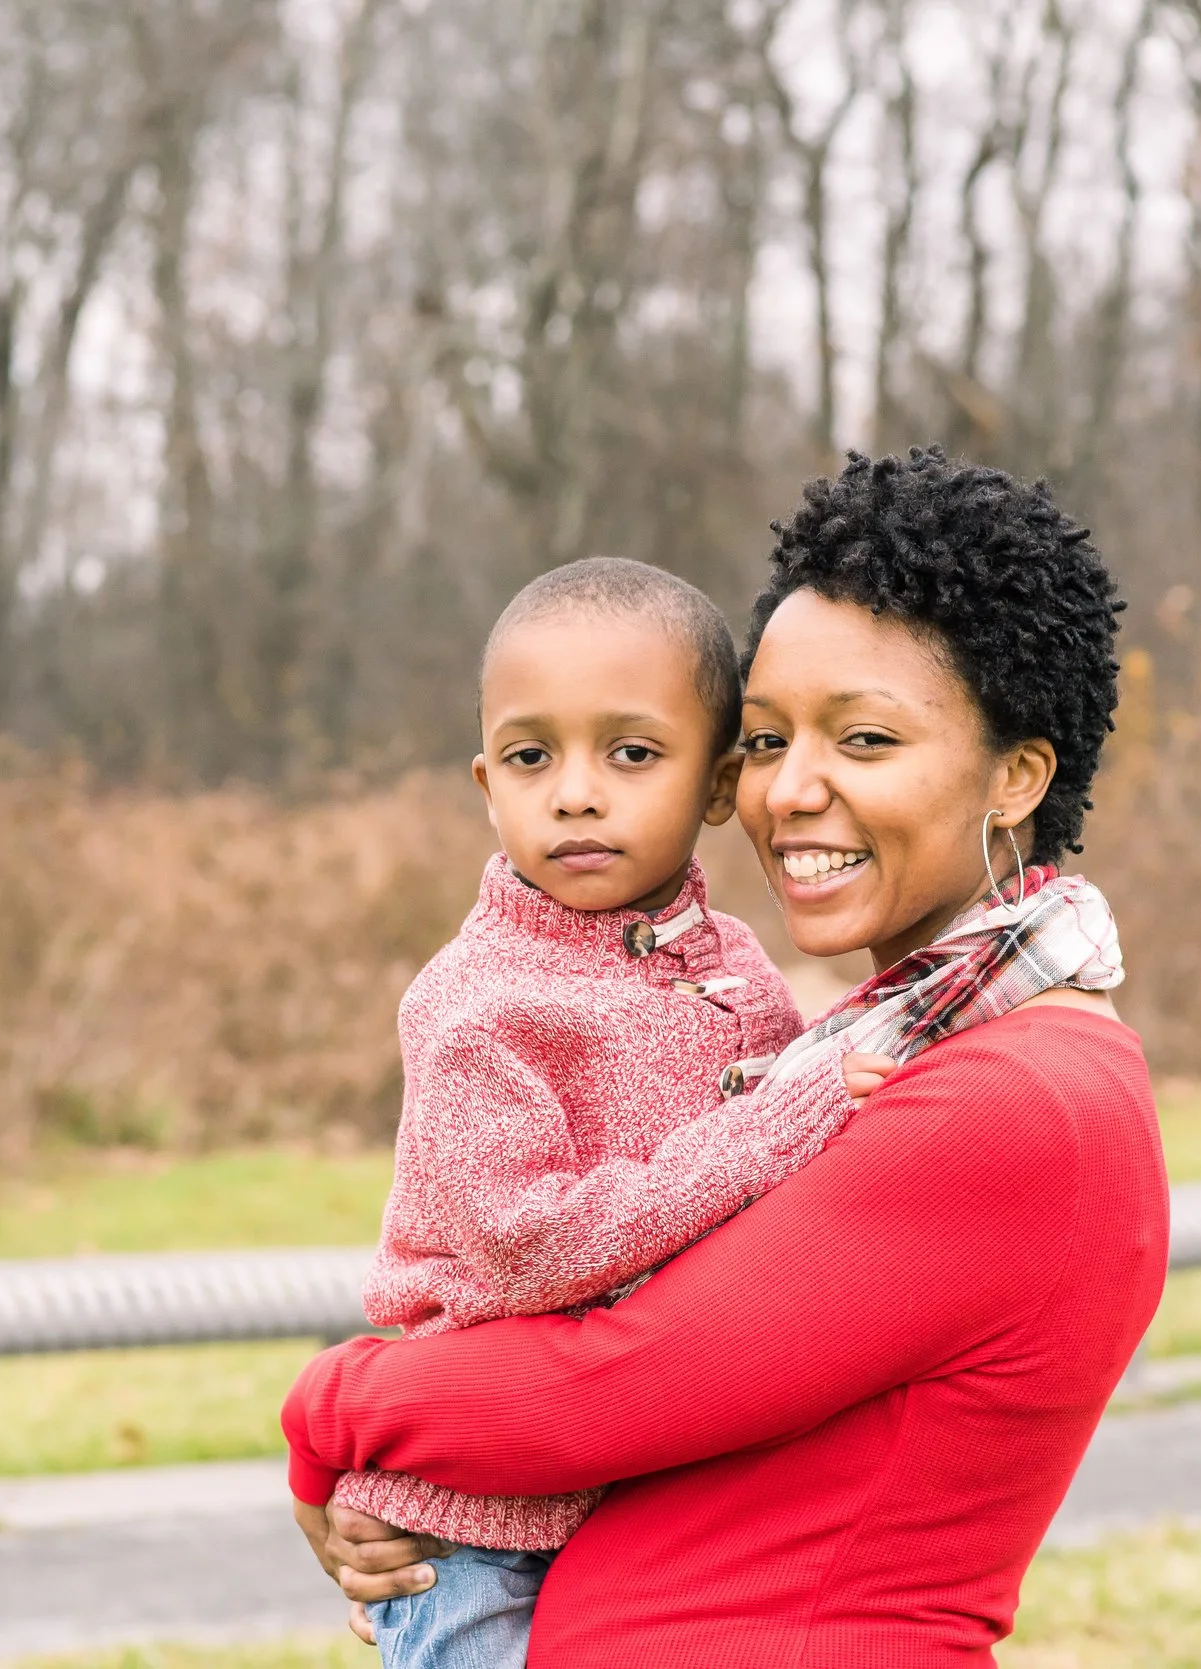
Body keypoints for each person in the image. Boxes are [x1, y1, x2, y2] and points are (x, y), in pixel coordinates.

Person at [285, 448, 1167, 1667]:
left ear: (1014, 775)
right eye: (763, 739)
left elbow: (595, 1393)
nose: (789, 791)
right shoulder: (896, 1038)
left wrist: (330, 1411)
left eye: (862, 739)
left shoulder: (1015, 1100)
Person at [339, 556, 884, 1669]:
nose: (576, 792)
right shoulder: (477, 1005)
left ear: (719, 786)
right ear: (488, 784)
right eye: (533, 757)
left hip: (647, 1491)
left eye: (631, 753)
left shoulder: (735, 970)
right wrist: (773, 1125)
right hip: (474, 1525)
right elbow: (533, 1249)